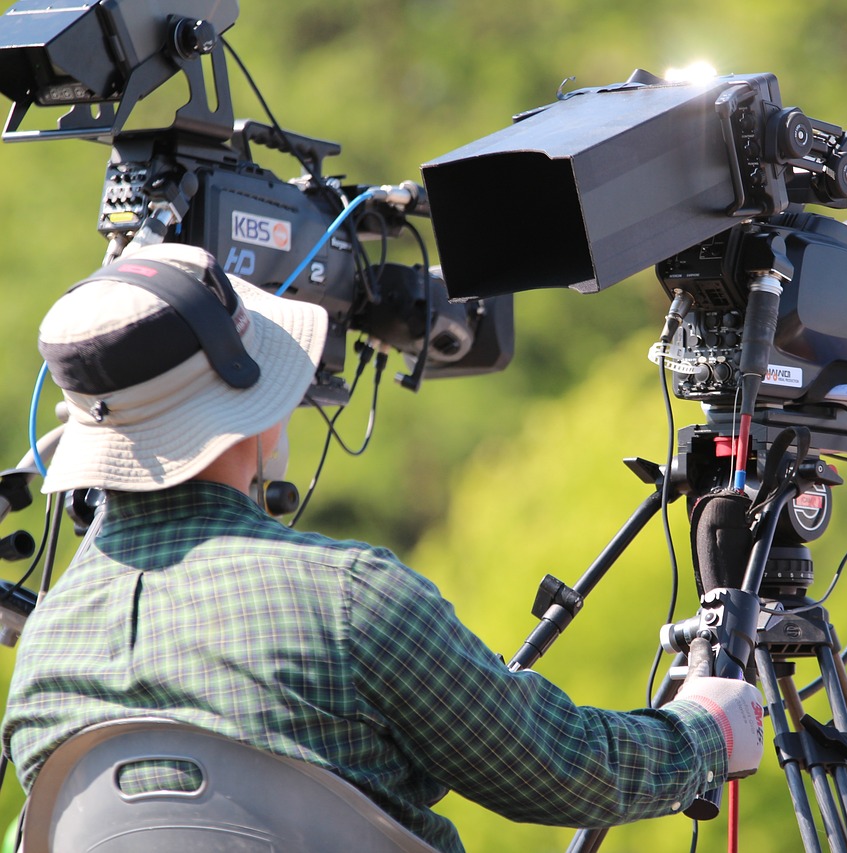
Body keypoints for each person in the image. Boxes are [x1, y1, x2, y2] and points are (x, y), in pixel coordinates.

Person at [0, 243, 764, 853]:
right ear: (250, 408)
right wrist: (704, 729)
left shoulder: (42, 656)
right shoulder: (347, 599)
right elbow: (563, 770)